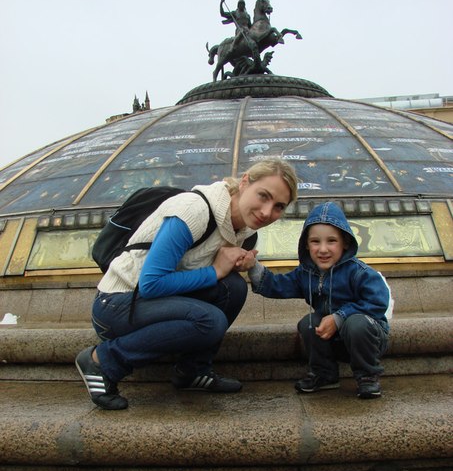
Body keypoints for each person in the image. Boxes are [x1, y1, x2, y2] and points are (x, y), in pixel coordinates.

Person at [75, 158, 298, 410]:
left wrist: (233, 267)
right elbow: (151, 284)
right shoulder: (194, 210)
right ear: (245, 182)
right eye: (263, 196)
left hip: (152, 305)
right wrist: (215, 271)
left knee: (233, 288)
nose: (267, 212)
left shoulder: (245, 230)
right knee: (209, 321)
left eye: (279, 206)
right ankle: (103, 361)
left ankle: (193, 371)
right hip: (116, 306)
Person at [247, 201, 391, 399]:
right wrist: (252, 266)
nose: (323, 249)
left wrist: (339, 317)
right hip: (334, 341)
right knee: (309, 322)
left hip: (367, 339)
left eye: (331, 241)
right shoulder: (305, 273)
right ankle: (325, 374)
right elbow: (277, 285)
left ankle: (367, 376)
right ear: (306, 244)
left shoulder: (360, 272)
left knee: (356, 323)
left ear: (345, 242)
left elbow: (377, 302)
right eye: (315, 241)